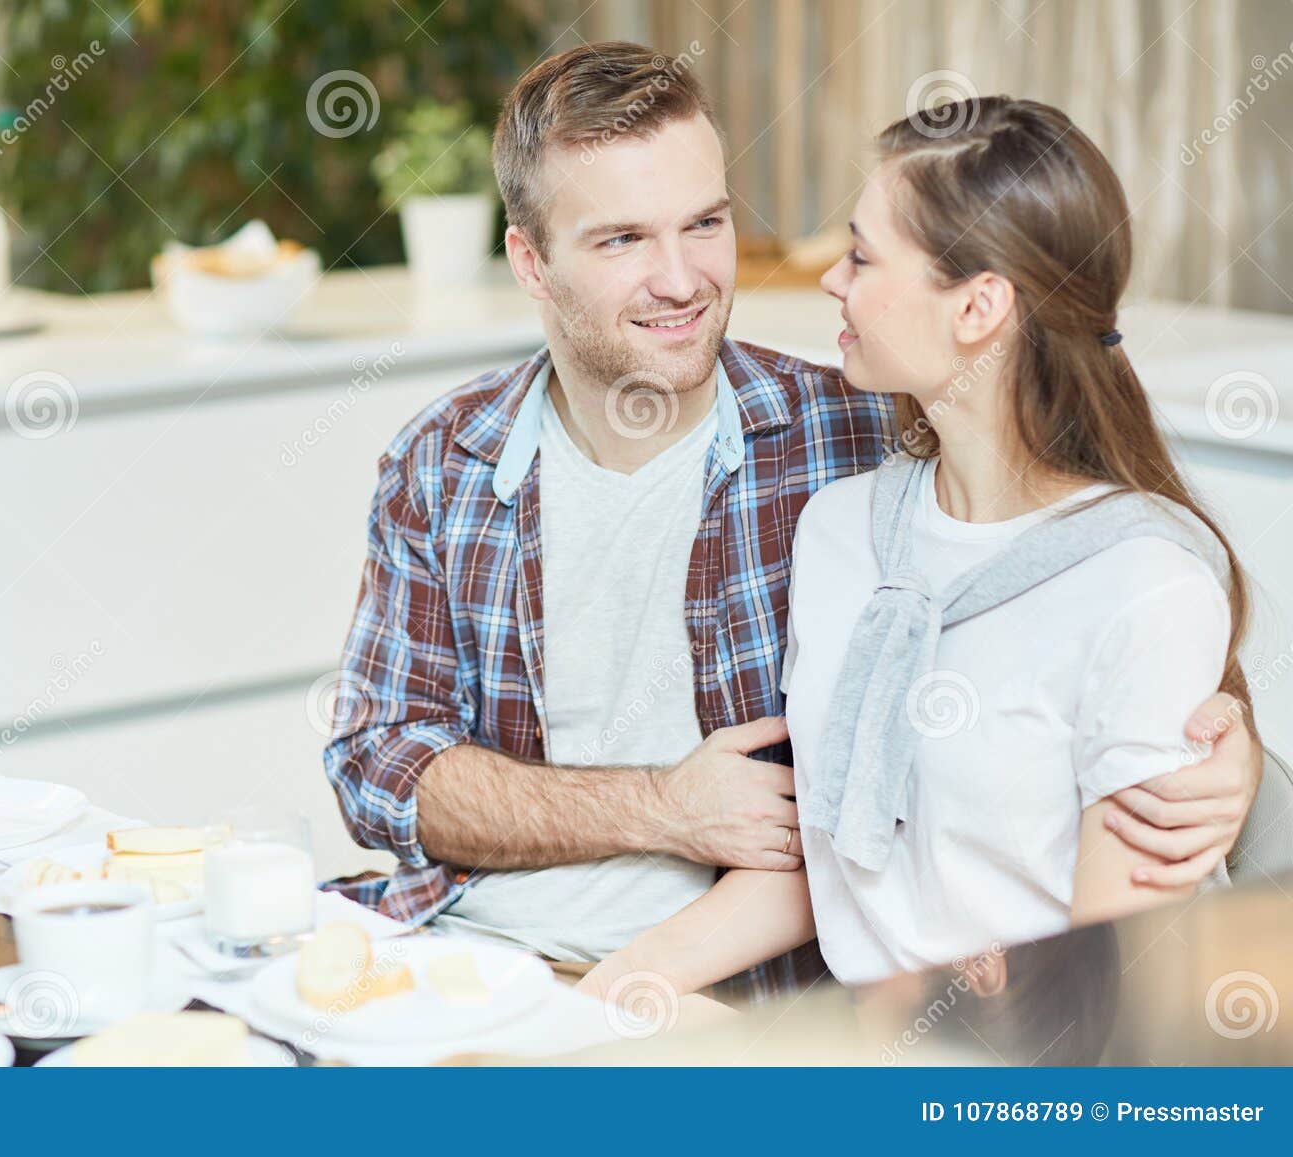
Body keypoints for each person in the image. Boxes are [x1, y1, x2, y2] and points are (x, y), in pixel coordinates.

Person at [322, 45, 1261, 1002]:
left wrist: (1236, 752)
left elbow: (1098, 577)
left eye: (707, 223)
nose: (681, 279)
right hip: (474, 949)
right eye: (622, 241)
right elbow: (374, 762)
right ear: (530, 262)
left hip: (764, 1002)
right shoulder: (445, 461)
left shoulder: (853, 434)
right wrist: (659, 812)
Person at [578, 95, 1256, 1001]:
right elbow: (839, 857)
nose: (831, 279)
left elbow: (1118, 1000)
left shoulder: (1142, 584)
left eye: (861, 255)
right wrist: (612, 994)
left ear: (979, 306)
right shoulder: (841, 530)